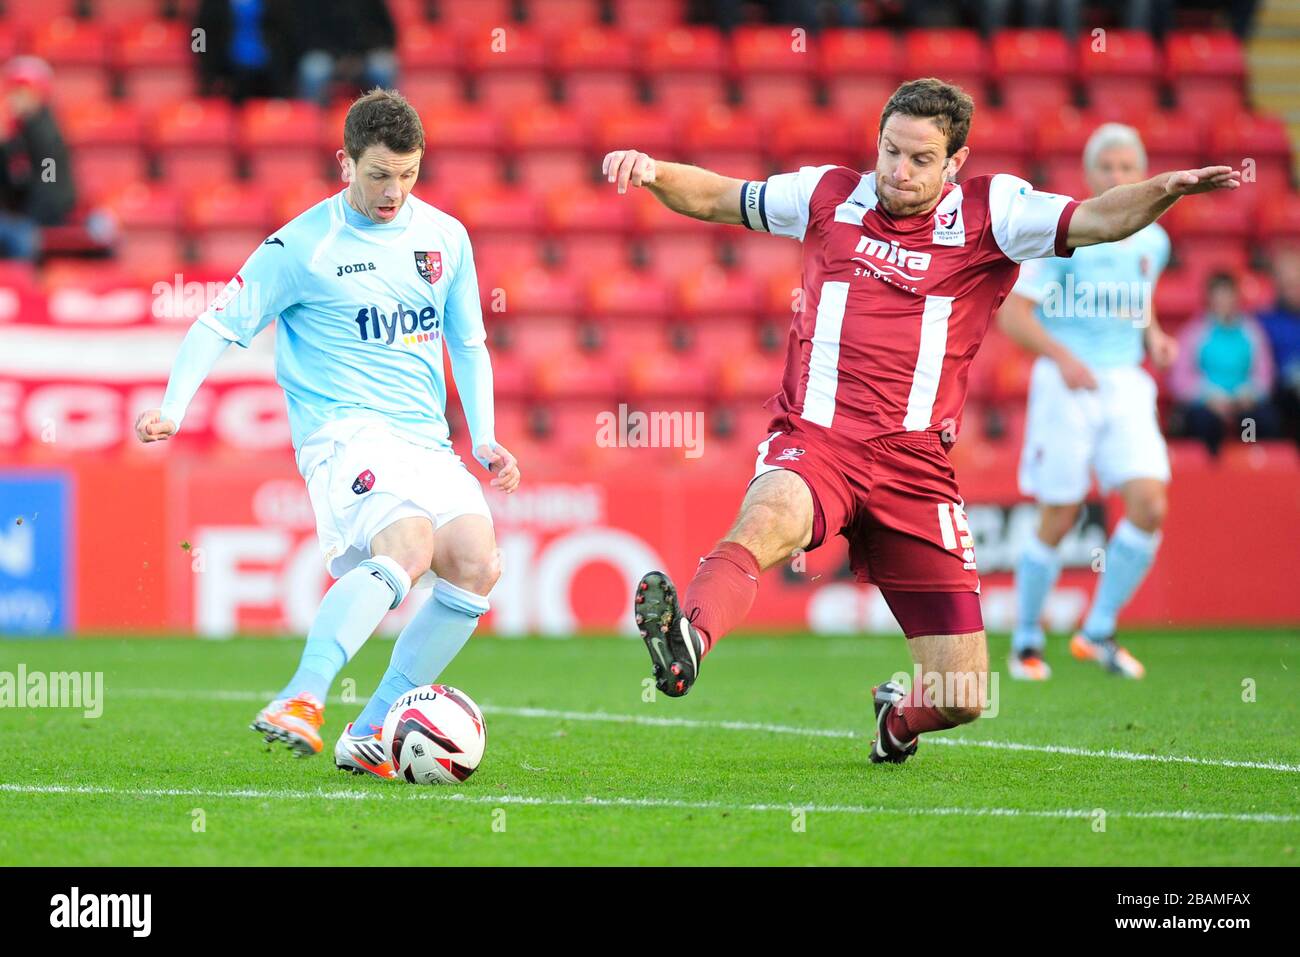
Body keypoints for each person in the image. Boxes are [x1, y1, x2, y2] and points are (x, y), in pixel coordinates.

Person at [601, 77, 1239, 764]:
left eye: (919, 159)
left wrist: (1165, 187)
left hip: (916, 470)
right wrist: (654, 171)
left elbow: (1101, 218)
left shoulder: (996, 211)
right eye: (889, 152)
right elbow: (721, 197)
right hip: (819, 441)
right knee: (768, 520)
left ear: (955, 163)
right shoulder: (827, 195)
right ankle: (687, 644)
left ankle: (896, 719)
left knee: (964, 693)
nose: (897, 172)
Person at [135, 89, 520, 778]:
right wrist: (174, 406)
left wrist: (485, 436)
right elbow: (216, 323)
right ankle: (302, 695)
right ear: (345, 163)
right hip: (345, 435)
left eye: (407, 173)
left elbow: (467, 342)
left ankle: (371, 731)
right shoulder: (301, 246)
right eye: (378, 174)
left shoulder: (446, 238)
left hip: (425, 441)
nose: (393, 191)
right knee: (408, 543)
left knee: (475, 560)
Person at [999, 123, 1177, 682]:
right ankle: (1026, 639)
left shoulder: (1153, 239)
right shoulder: (1065, 237)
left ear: (1141, 173)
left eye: (1128, 168)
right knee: (1062, 511)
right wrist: (1062, 357)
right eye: (1109, 168)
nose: (1119, 177)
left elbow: (1138, 303)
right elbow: (1013, 315)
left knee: (1149, 504)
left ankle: (1097, 630)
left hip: (1125, 381)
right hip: (1065, 384)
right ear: (1091, 173)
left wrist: (1153, 337)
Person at [1171, 272, 1278, 455]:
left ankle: (1251, 463)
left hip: (1243, 406)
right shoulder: (1194, 333)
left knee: (1256, 422)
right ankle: (1210, 470)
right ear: (1209, 299)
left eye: (1228, 295)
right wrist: (1208, 396)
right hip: (1208, 406)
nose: (1224, 301)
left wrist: (1250, 393)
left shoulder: (1252, 332)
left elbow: (1264, 373)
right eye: (1219, 295)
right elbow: (1180, 378)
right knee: (1205, 423)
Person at [0, 56, 75, 259]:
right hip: (20, 215)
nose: (16, 97)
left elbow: (49, 181)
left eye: (23, 91)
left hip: (38, 218)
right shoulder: (18, 132)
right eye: (14, 90)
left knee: (20, 236)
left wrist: (31, 218)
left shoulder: (46, 135)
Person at [1257, 246, 1300, 447]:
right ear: (1277, 284)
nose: (1294, 290)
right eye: (1288, 284)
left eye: (1297, 283)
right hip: (1277, 394)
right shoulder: (1262, 321)